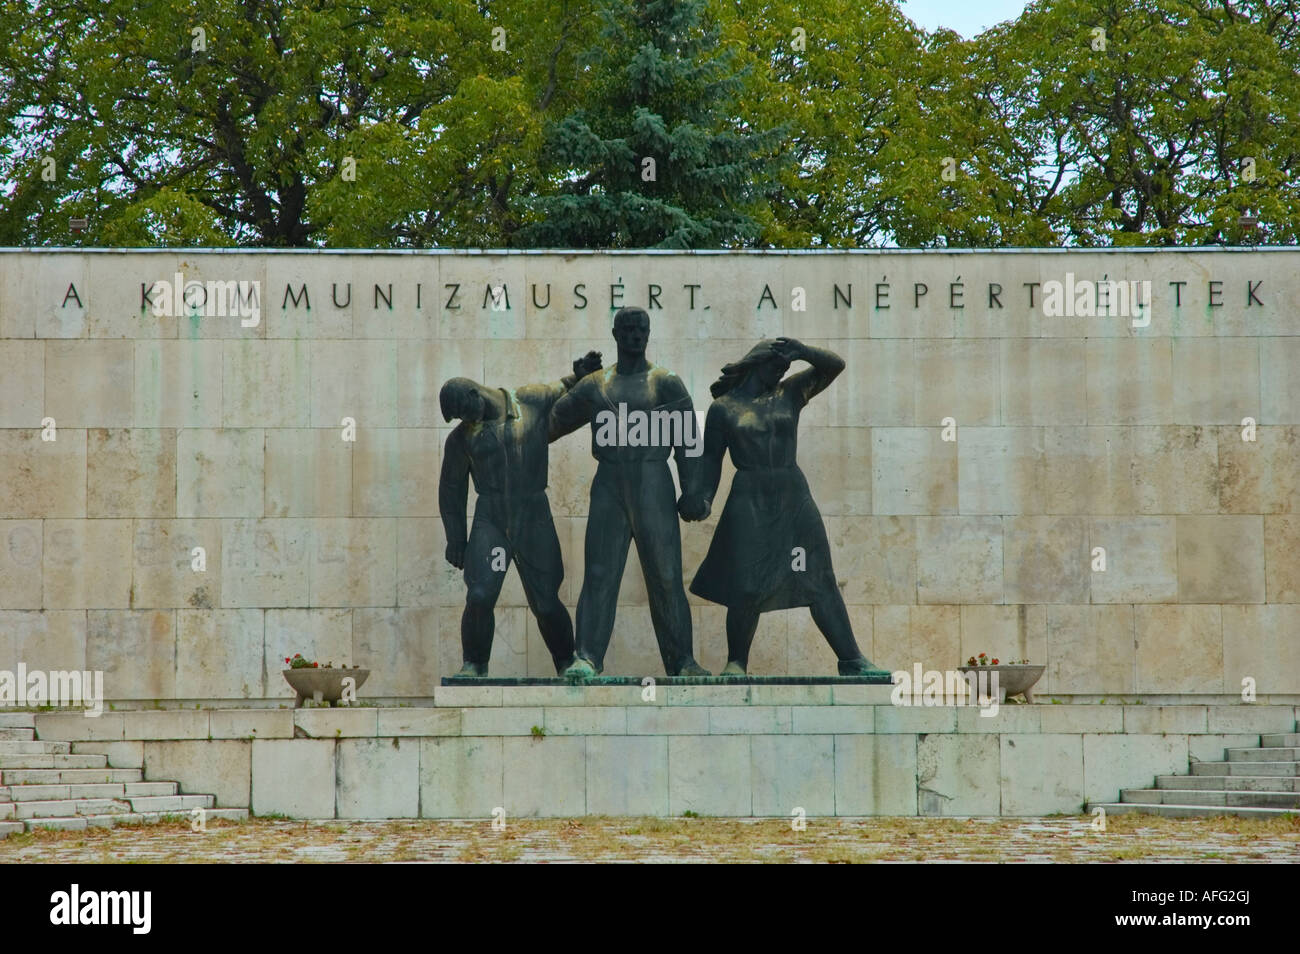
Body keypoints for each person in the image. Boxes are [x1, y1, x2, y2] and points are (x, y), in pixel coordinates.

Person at [689, 337, 875, 675]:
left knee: (818, 575)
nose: (781, 370)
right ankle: (736, 663)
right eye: (775, 364)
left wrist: (803, 351)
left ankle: (851, 659)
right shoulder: (724, 408)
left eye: (785, 367)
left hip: (793, 495)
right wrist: (702, 499)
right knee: (747, 581)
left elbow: (834, 365)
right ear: (755, 362)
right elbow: (711, 460)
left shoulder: (790, 392)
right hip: (749, 497)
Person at [550, 306, 711, 677]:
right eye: (628, 329)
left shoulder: (665, 382)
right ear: (615, 334)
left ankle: (682, 661)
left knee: (666, 574)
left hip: (654, 480)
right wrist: (570, 380)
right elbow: (552, 424)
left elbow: (689, 441)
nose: (635, 335)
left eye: (641, 329)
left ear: (649, 333)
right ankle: (587, 657)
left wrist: (693, 491)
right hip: (610, 484)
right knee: (600, 573)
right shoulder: (596, 385)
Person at [438, 351, 602, 676]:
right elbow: (450, 490)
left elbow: (566, 390)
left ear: (474, 393)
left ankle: (566, 662)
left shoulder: (529, 400)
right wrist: (456, 538)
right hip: (491, 518)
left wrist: (581, 375)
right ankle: (474, 664)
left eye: (464, 412)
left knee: (545, 601)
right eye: (458, 418)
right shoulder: (460, 440)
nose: (464, 420)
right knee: (480, 594)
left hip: (533, 514)